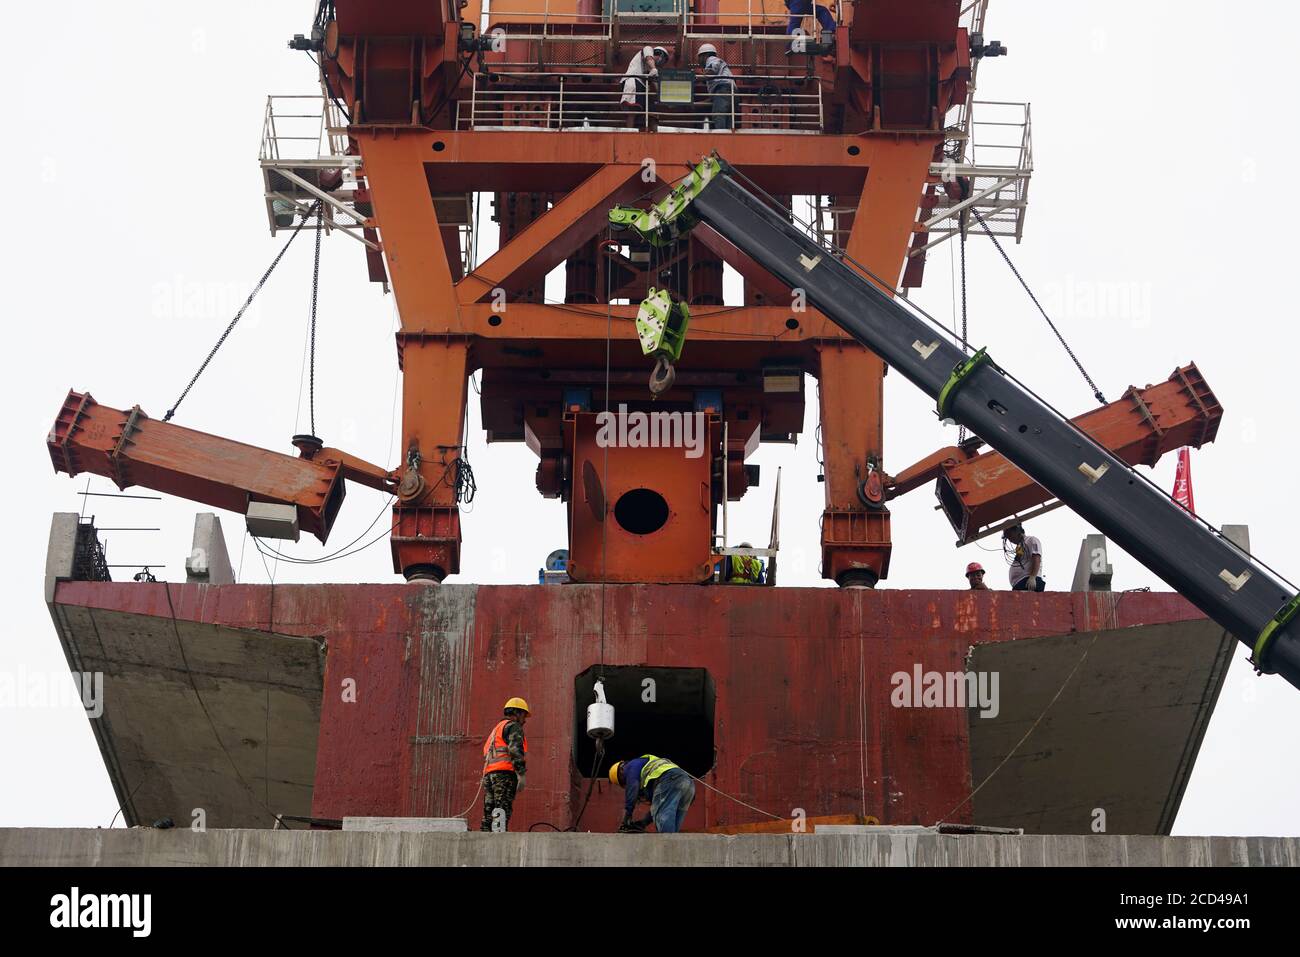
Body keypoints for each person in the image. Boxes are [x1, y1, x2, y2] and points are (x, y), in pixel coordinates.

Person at [480, 696, 530, 832]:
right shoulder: (513, 727)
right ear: (517, 713)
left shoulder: (496, 729)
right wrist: (521, 774)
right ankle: (499, 840)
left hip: (489, 775)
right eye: (524, 715)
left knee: (489, 811)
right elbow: (515, 750)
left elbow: (487, 753)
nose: (524, 720)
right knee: (502, 809)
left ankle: (485, 838)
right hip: (504, 775)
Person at [611, 754, 696, 834]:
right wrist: (643, 823)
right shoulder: (647, 767)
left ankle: (668, 846)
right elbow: (657, 808)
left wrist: (627, 816)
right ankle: (673, 847)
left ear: (621, 770)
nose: (627, 784)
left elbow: (632, 787)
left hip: (670, 779)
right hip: (688, 785)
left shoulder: (631, 766)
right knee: (673, 829)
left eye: (624, 781)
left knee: (665, 823)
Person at [696, 43, 736, 131]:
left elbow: (713, 70)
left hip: (724, 88)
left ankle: (721, 135)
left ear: (705, 55)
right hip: (729, 92)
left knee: (718, 115)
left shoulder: (712, 59)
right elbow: (715, 98)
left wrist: (697, 78)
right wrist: (696, 104)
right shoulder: (716, 80)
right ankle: (728, 136)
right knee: (728, 118)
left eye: (699, 57)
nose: (698, 60)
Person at [620, 45, 668, 111]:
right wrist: (653, 68)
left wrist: (663, 97)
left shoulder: (649, 68)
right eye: (662, 60)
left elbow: (655, 82)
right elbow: (649, 58)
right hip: (634, 81)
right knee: (632, 110)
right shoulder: (648, 49)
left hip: (640, 85)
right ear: (660, 55)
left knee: (636, 111)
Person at [1004, 524, 1045, 591]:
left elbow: (1037, 557)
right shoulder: (1020, 546)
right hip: (1020, 584)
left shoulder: (1031, 540)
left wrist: (1033, 577)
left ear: (1016, 530)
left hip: (1028, 582)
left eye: (1009, 535)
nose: (1009, 539)